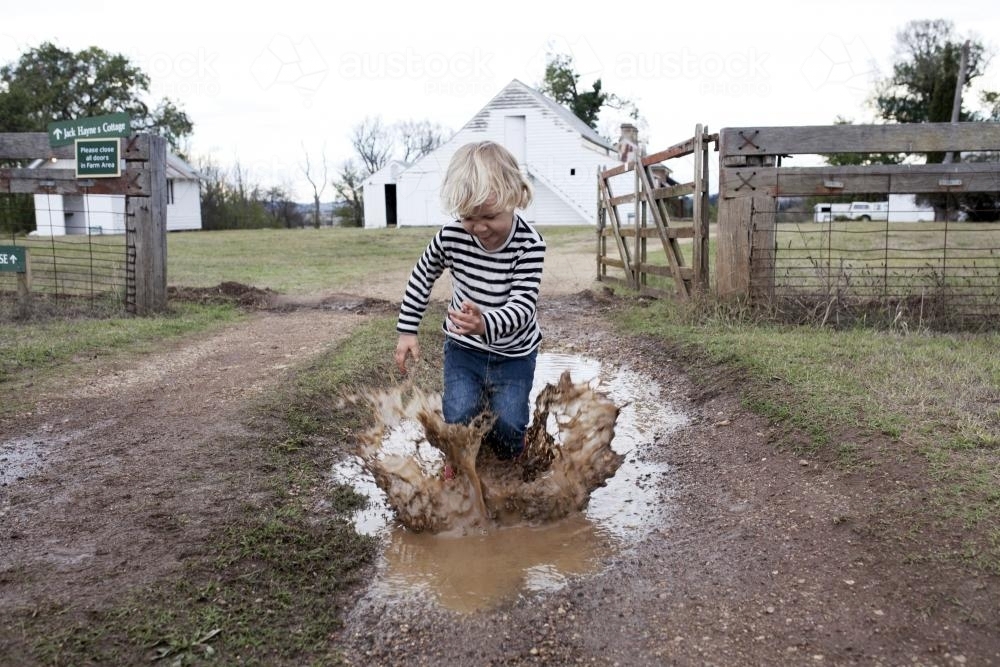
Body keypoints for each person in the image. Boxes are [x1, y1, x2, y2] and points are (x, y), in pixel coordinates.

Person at [394, 140, 545, 461]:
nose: (478, 228)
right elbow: (422, 276)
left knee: (509, 423)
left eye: (489, 216)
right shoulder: (451, 237)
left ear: (515, 197)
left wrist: (484, 323)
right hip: (464, 350)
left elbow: (523, 305)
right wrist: (408, 331)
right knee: (459, 414)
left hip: (514, 355)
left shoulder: (529, 244)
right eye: (467, 217)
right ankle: (459, 463)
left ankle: (512, 459)